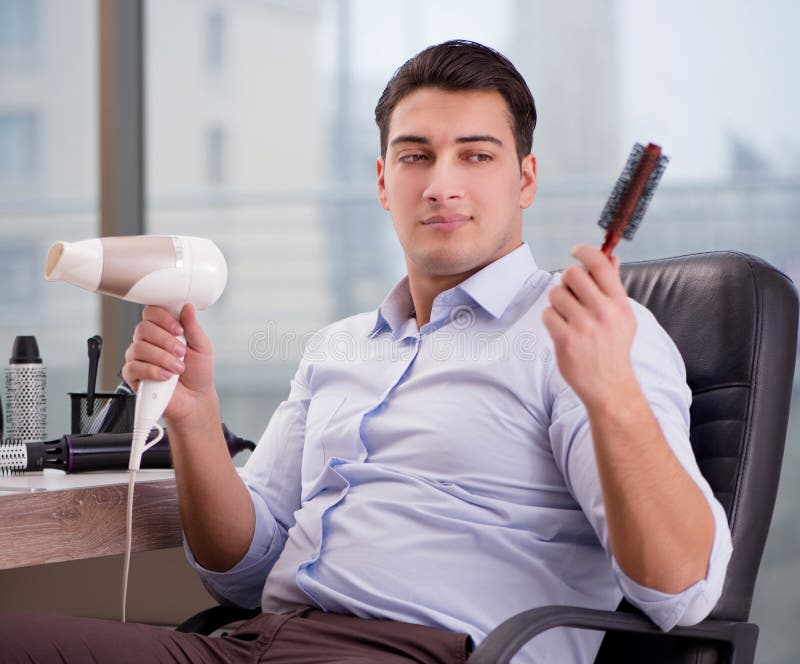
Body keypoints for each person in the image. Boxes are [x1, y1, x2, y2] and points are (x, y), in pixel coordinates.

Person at [2, 40, 731, 664]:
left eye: (475, 155)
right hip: (256, 641)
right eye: (416, 156)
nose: (442, 184)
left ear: (525, 180)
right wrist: (195, 420)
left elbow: (682, 593)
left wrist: (612, 396)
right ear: (384, 182)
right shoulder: (337, 347)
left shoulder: (591, 338)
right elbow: (242, 572)